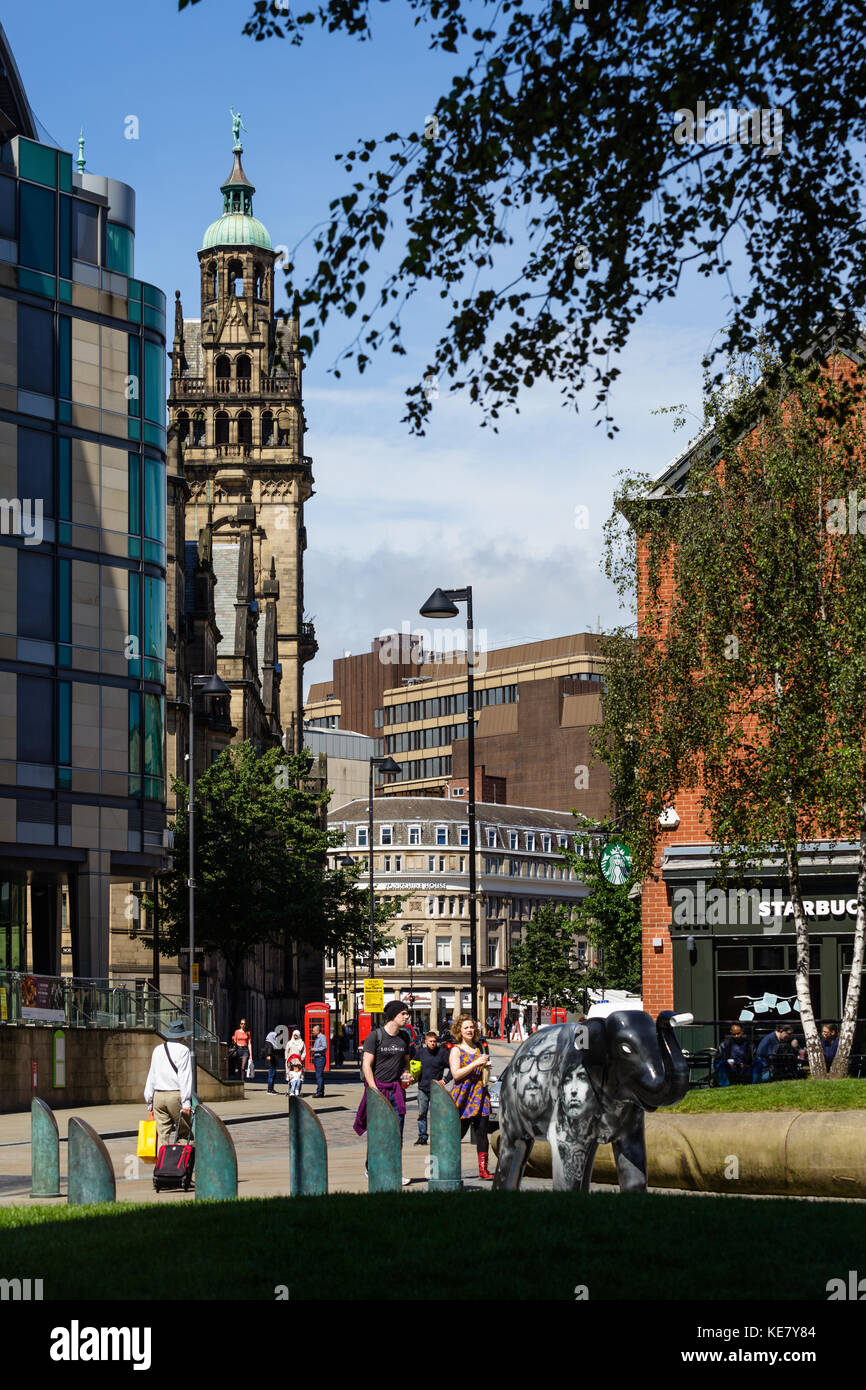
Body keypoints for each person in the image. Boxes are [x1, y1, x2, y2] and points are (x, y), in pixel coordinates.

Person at [354, 1001, 413, 1185]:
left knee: (397, 1132)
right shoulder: (376, 1036)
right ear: (394, 1015)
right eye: (403, 1013)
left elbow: (405, 1062)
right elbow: (366, 1065)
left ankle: (395, 1171)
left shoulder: (404, 1037)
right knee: (378, 1132)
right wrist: (374, 1090)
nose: (406, 1016)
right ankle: (372, 1168)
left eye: (407, 1013)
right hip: (378, 1089)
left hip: (396, 1090)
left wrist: (406, 1075)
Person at [448, 1013, 493, 1181]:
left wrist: (486, 1067)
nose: (469, 1030)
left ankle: (483, 1170)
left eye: (471, 1027)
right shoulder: (456, 1050)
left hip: (480, 1094)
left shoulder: (479, 1047)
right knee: (457, 1134)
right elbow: (456, 1074)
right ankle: (449, 1167)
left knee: (482, 1133)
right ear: (459, 1030)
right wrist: (475, 1063)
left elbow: (482, 1071)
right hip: (463, 1095)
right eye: (466, 1027)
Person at [144, 1019, 193, 1155]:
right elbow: (185, 1077)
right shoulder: (184, 1050)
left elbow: (151, 1076)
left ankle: (163, 1169)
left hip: (158, 1096)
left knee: (162, 1136)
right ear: (181, 1036)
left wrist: (149, 1104)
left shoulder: (157, 1050)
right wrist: (186, 1102)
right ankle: (180, 1167)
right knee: (184, 1132)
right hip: (175, 1096)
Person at [412, 1029, 449, 1145]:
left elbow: (453, 1067)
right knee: (421, 1114)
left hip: (436, 1090)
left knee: (437, 1115)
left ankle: (438, 1136)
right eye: (430, 1041)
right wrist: (411, 1075)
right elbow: (412, 1065)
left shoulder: (442, 1053)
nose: (433, 1043)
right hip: (422, 1088)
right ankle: (422, 1137)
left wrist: (445, 1080)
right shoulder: (420, 1052)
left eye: (434, 1041)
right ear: (426, 1042)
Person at [232, 1017, 252, 1083]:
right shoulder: (237, 1032)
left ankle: (242, 1081)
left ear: (246, 1025)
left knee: (243, 1067)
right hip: (238, 1049)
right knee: (239, 1068)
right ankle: (239, 1081)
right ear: (240, 1024)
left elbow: (249, 1043)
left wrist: (251, 1055)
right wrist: (233, 1040)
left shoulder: (248, 1032)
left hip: (245, 1050)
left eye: (244, 1024)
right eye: (242, 1023)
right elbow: (235, 1042)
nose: (243, 1025)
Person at [312, 1023, 328, 1097]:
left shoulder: (322, 1037)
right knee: (318, 1075)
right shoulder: (317, 1038)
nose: (313, 1032)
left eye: (314, 1031)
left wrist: (314, 1049)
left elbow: (324, 1047)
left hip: (320, 1058)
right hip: (317, 1058)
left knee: (319, 1076)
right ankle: (320, 1092)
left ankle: (319, 1092)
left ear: (318, 1031)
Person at [264, 1029, 281, 1094]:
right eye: (275, 1036)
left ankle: (272, 1089)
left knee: (273, 1075)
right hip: (272, 1062)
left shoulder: (272, 1042)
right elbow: (269, 1051)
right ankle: (269, 1090)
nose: (276, 1038)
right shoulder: (270, 1043)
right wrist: (269, 1055)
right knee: (271, 1075)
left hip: (273, 1061)